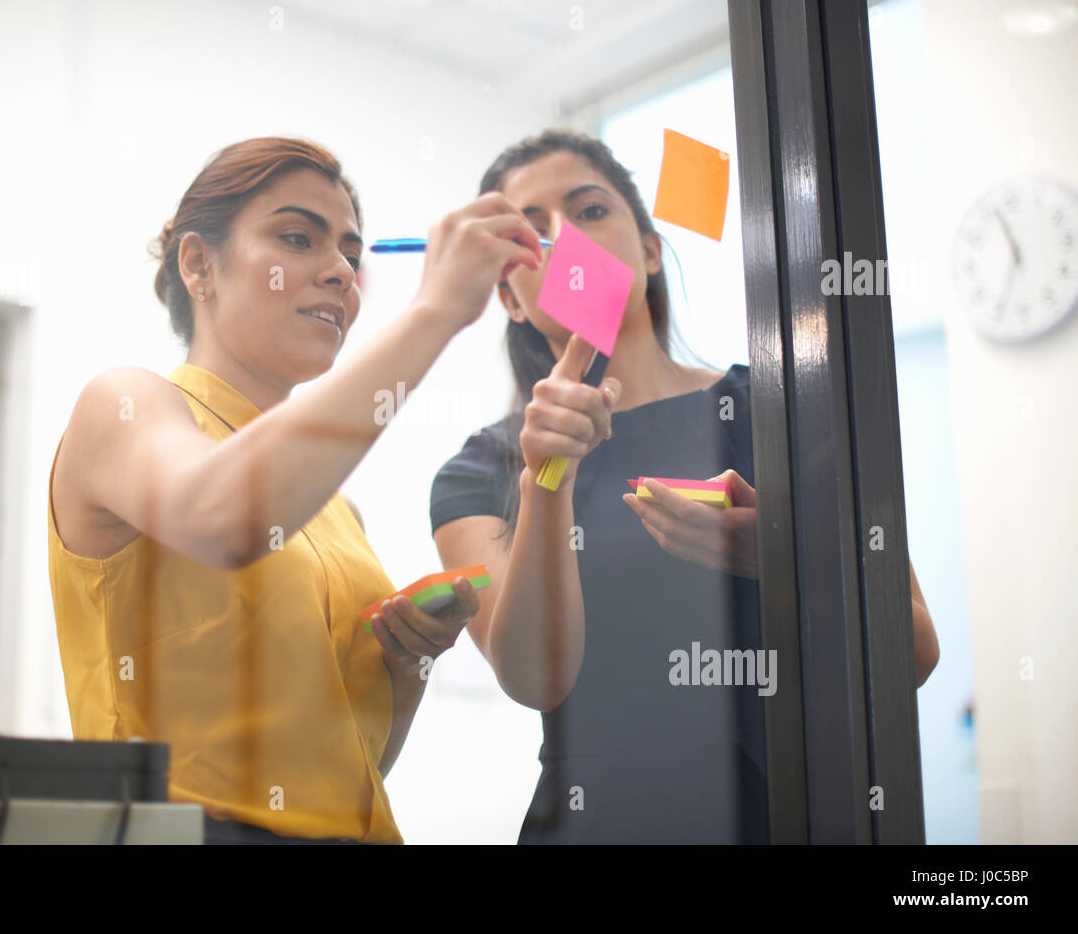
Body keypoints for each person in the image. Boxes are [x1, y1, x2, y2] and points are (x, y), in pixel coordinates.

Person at [430, 128, 939, 843]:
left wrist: (790, 561)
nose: (564, 242)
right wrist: (547, 478)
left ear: (648, 251)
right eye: (532, 230)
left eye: (589, 211)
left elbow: (913, 651)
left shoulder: (786, 415)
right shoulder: (477, 473)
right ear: (509, 297)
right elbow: (533, 678)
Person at [47, 136, 544, 843]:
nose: (340, 271)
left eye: (349, 251)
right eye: (296, 238)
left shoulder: (337, 509)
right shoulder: (125, 406)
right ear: (198, 264)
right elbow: (224, 515)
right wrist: (435, 311)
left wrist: (408, 667)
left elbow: (360, 768)